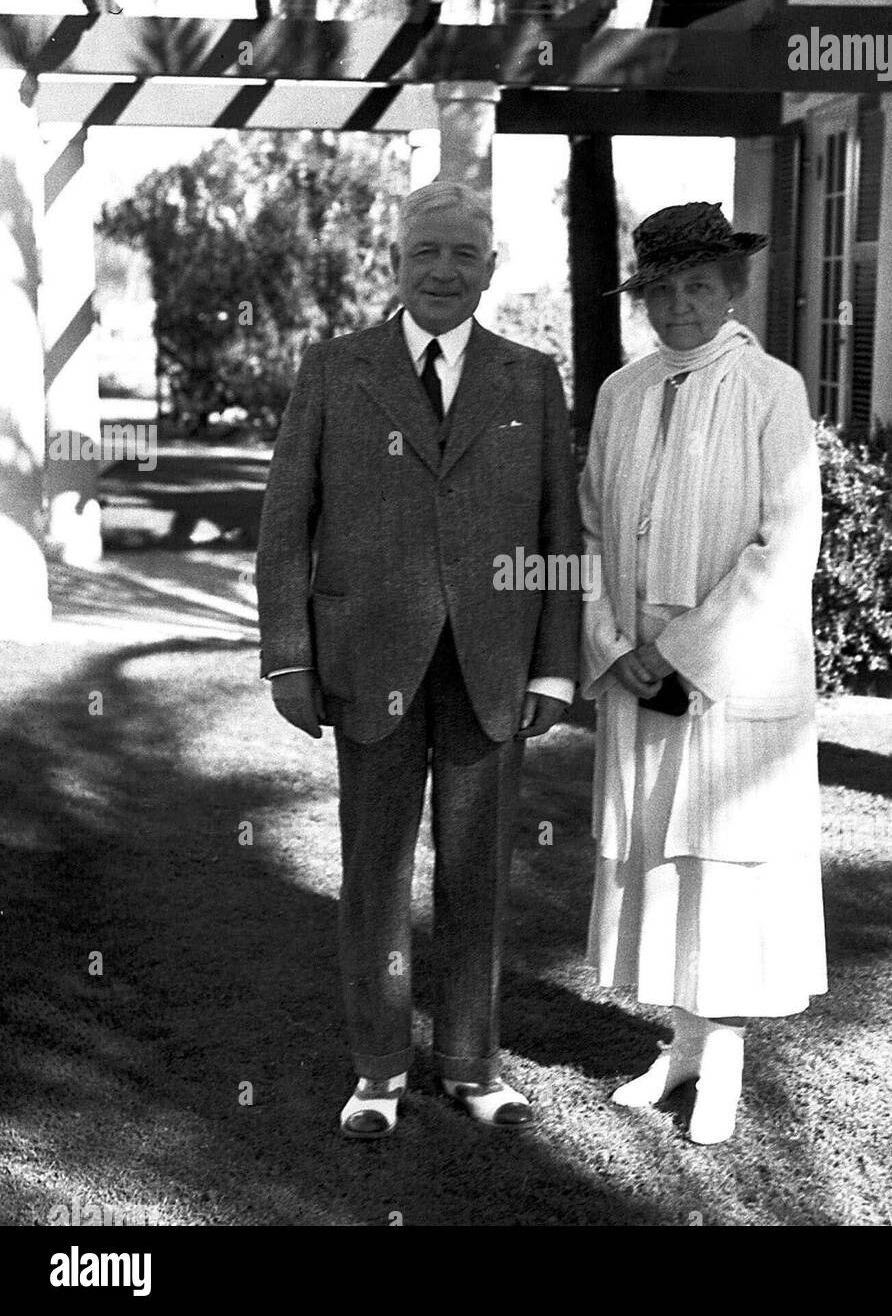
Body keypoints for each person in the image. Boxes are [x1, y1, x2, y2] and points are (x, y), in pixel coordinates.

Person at [256, 180, 582, 1139]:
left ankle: (474, 1067)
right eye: (425, 253)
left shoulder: (531, 377)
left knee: (477, 871)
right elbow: (285, 525)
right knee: (376, 869)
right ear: (395, 264)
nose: (445, 271)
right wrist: (287, 659)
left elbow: (561, 530)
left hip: (491, 665)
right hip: (369, 660)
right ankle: (377, 1072)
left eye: (465, 256)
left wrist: (554, 667)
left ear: (491, 269)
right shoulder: (333, 368)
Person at [580, 201, 827, 1146]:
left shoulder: (772, 387)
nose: (679, 307)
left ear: (732, 290)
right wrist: (613, 642)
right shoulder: (622, 392)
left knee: (723, 857)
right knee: (661, 854)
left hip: (731, 672)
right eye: (662, 290)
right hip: (637, 674)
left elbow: (785, 540)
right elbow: (594, 528)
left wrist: (683, 653)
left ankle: (721, 1054)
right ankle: (681, 1042)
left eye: (699, 287)